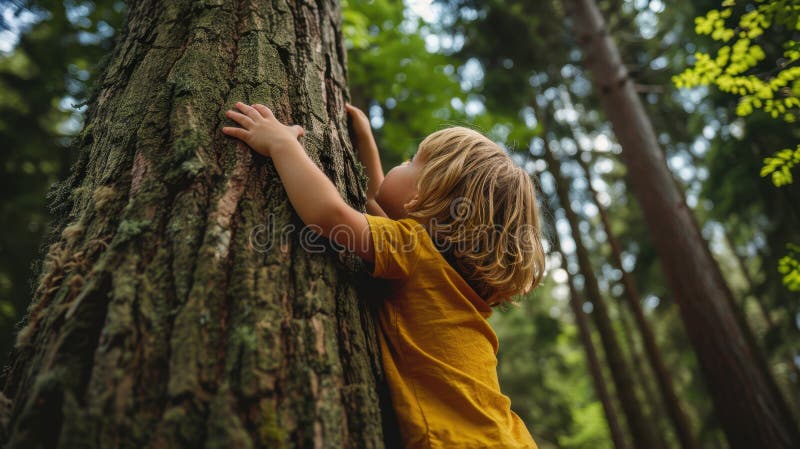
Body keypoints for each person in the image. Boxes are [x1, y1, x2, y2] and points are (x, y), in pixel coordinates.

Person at [222, 101, 545, 448]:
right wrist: (365, 144)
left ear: (429, 194)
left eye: (412, 161)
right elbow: (380, 201)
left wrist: (281, 144)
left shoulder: (414, 249)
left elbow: (330, 214)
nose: (402, 163)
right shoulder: (441, 273)